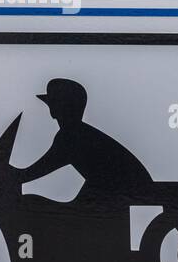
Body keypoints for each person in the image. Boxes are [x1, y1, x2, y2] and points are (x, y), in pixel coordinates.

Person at [12, 79, 153, 208]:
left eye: (55, 102)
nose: (52, 108)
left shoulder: (71, 136)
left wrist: (12, 177)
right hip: (110, 185)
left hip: (122, 189)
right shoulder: (78, 132)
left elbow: (42, 167)